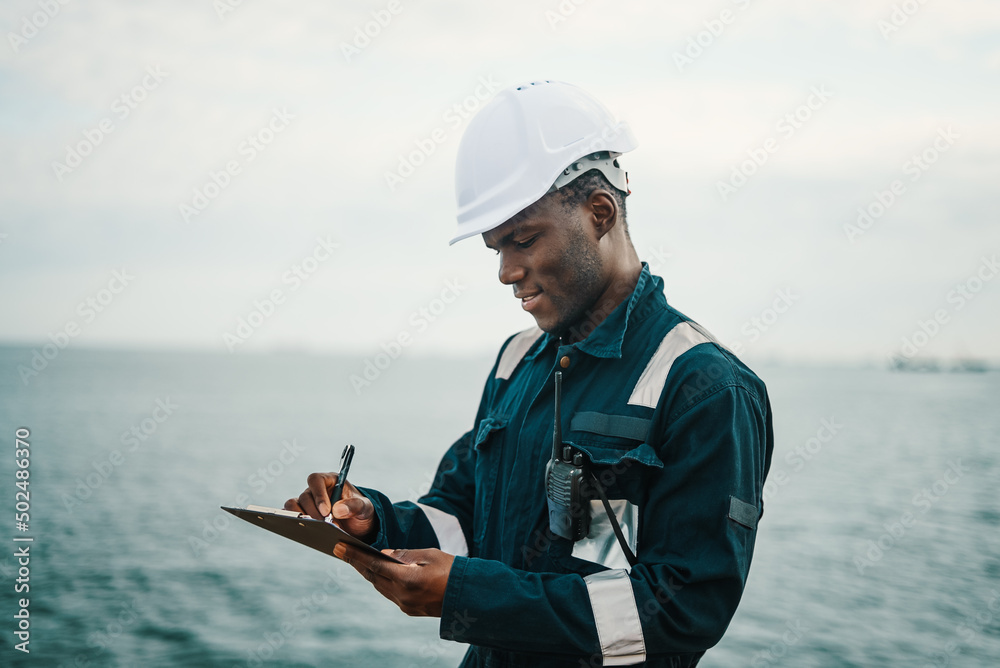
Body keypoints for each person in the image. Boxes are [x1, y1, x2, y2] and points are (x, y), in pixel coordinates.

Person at [285, 80, 774, 667]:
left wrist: (471, 595)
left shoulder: (706, 388)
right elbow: (463, 516)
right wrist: (373, 520)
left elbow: (685, 609)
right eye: (495, 248)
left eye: (521, 240)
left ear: (600, 213)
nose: (505, 271)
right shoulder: (516, 361)